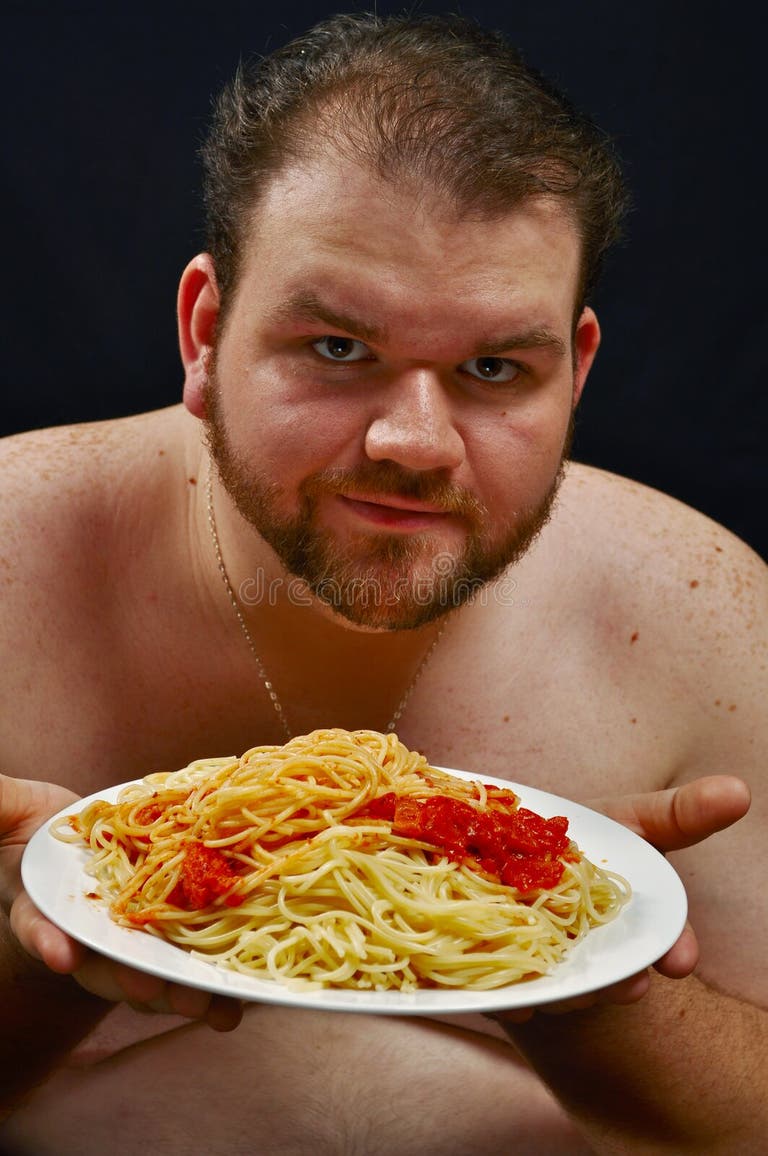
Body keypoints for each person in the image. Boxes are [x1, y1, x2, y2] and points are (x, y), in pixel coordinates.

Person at [0, 12, 764, 1154]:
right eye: (340, 350)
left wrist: (604, 996)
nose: (416, 440)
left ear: (577, 368)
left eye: (494, 368)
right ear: (206, 334)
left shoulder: (702, 600)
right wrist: (44, 975)